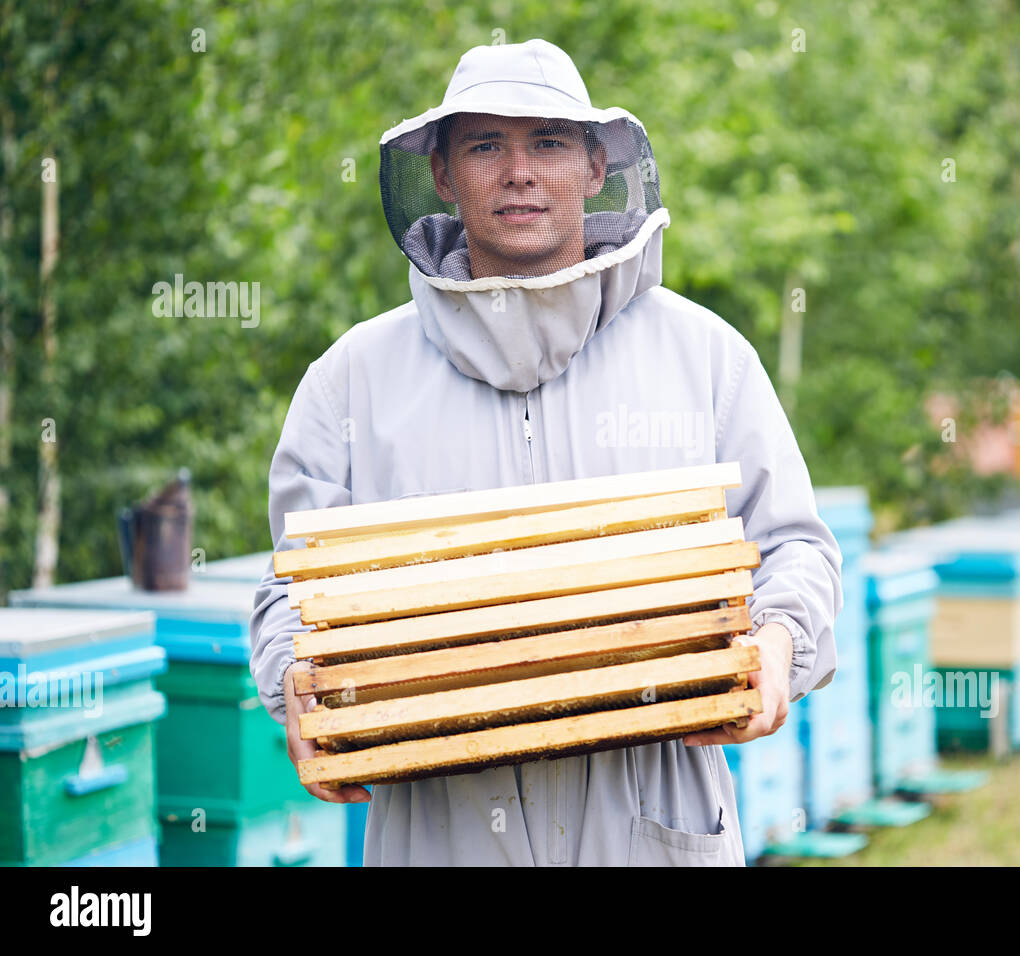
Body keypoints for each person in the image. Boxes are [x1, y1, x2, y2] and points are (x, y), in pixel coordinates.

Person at [250, 37, 842, 866]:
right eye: (486, 145)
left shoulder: (705, 357)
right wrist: (295, 688)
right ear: (446, 176)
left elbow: (797, 549)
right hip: (444, 830)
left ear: (597, 166)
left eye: (549, 144)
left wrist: (777, 649)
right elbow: (290, 586)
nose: (519, 172)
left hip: (649, 822)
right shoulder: (352, 380)